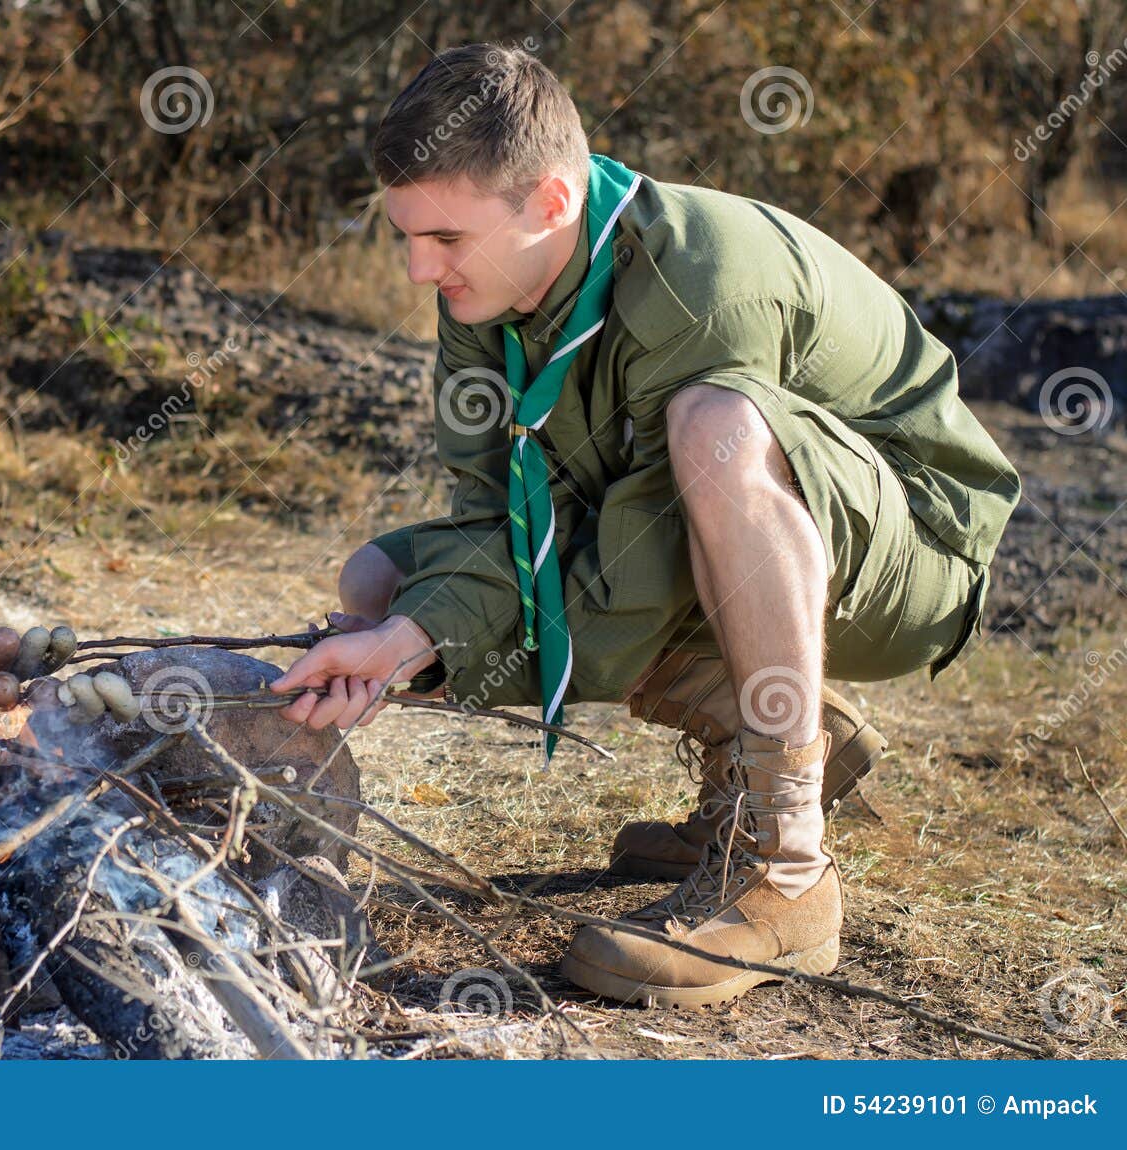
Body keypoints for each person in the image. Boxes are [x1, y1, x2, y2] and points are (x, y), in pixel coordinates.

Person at [268, 42, 1020, 1008]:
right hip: (723, 527)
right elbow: (496, 520)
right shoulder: (490, 291)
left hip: (910, 547)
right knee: (378, 585)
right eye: (406, 236)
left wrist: (441, 651)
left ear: (548, 202)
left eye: (446, 240)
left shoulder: (698, 286)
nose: (420, 270)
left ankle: (787, 872)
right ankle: (782, 735)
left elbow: (638, 563)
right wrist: (406, 639)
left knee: (712, 430)